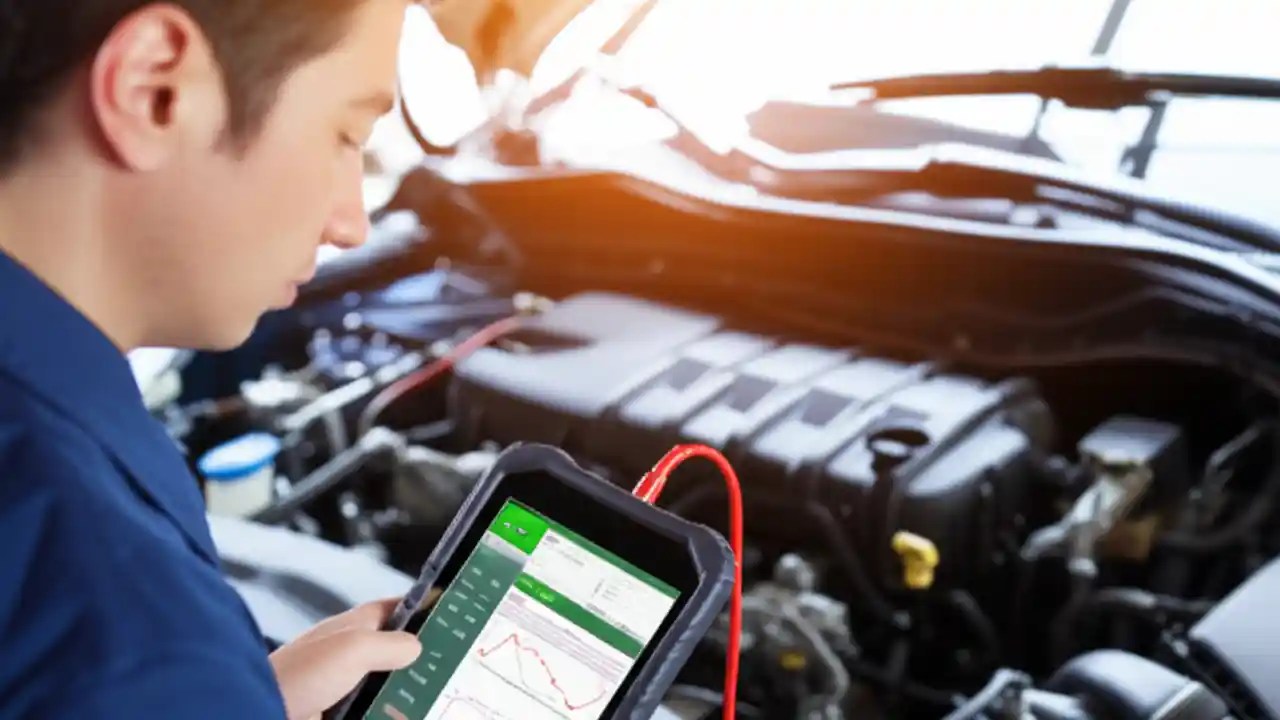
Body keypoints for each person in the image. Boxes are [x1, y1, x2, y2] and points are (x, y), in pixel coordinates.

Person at [0, 1, 424, 718]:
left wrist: (246, 697)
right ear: (154, 90)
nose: (351, 224)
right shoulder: (129, 632)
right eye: (347, 134)